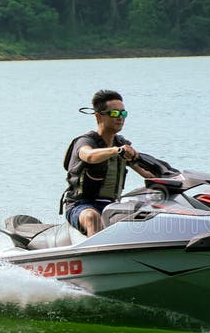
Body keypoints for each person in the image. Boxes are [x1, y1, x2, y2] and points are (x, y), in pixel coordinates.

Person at [62, 89, 154, 235]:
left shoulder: (121, 144)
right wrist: (115, 151)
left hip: (112, 205)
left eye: (123, 113)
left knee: (148, 213)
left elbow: (147, 174)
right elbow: (89, 155)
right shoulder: (85, 141)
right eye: (114, 113)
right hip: (80, 206)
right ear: (99, 117)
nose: (120, 118)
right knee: (93, 217)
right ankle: (95, 256)